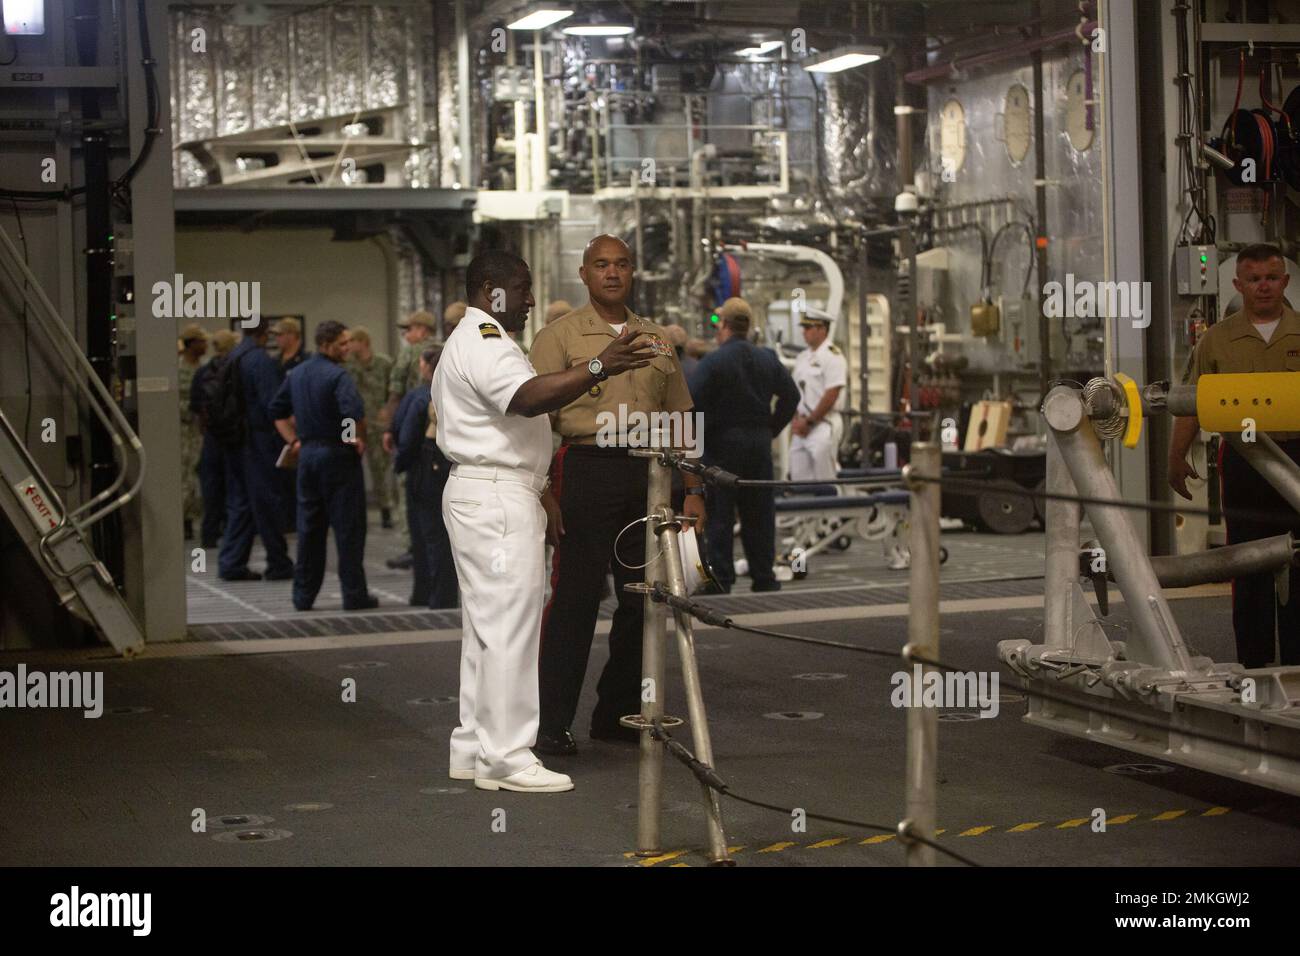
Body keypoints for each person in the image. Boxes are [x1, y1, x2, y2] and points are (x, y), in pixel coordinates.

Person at [432, 249, 656, 792]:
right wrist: (601, 364)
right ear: (492, 291)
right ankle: (507, 757)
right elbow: (528, 399)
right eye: (523, 288)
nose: (531, 299)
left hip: (490, 490)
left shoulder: (481, 338)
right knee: (509, 628)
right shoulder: (485, 340)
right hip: (495, 496)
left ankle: (474, 743)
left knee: (486, 630)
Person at [529, 234, 707, 757]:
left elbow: (679, 417)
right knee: (575, 601)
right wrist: (542, 492)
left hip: (649, 474)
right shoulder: (558, 336)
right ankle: (552, 723)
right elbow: (534, 420)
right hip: (585, 467)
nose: (612, 273)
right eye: (601, 265)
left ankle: (615, 713)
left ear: (633, 273)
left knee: (644, 601)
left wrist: (693, 489)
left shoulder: (656, 338)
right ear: (584, 274)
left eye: (622, 264)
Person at [1170, 242, 1300, 668]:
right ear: (1238, 284)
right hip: (1243, 462)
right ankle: (1256, 671)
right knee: (1246, 566)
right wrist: (1175, 456)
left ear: (1285, 281)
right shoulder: (1216, 341)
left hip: (1298, 458)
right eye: (1255, 279)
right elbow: (1193, 399)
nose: (1264, 287)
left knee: (1299, 566)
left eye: (1271, 278)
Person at [688, 297, 800, 593]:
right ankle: (764, 576)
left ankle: (722, 578)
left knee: (721, 514)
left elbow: (691, 404)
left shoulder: (713, 362)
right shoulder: (767, 358)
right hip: (759, 445)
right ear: (748, 326)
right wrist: (770, 429)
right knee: (760, 514)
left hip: (722, 444)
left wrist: (698, 442)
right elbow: (792, 397)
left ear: (723, 324)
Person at [269, 321, 379, 612]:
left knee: (309, 530)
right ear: (327, 344)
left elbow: (277, 411)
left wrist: (294, 442)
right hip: (337, 457)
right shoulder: (338, 375)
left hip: (307, 457)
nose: (347, 348)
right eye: (342, 343)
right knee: (348, 530)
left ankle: (303, 596)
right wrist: (352, 439)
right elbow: (352, 413)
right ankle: (354, 595)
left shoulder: (298, 373)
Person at [217, 318, 294, 582]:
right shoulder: (259, 360)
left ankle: (231, 562)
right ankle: (279, 563)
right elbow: (273, 404)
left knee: (241, 503)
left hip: (235, 439)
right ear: (264, 333)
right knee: (267, 501)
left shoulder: (234, 356)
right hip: (258, 440)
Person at [391, 347, 458, 609]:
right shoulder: (456, 393)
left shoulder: (420, 396)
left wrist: (399, 465)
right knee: (443, 535)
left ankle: (432, 594)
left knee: (427, 537)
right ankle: (441, 593)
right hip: (450, 468)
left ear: (425, 366)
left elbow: (405, 437)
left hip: (423, 470)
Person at [384, 310, 438, 569]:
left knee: (409, 489)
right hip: (442, 430)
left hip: (413, 425)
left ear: (423, 330)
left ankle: (413, 548)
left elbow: (395, 393)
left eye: (410, 329)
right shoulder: (447, 349)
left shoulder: (408, 354)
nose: (406, 335)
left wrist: (389, 429)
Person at [345, 327, 396, 529]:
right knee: (347, 466)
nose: (348, 346)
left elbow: (392, 391)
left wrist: (388, 414)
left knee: (380, 469)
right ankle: (352, 511)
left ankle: (385, 510)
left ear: (362, 341)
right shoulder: (347, 366)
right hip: (351, 423)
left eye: (352, 341)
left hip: (377, 423)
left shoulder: (383, 363)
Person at [191, 328, 237, 547]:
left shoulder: (202, 372)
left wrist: (206, 430)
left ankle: (209, 533)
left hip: (211, 436)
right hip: (233, 437)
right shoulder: (237, 369)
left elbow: (196, 406)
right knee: (233, 486)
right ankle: (231, 533)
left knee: (211, 487)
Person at [789, 307, 847, 481]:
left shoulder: (833, 356)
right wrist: (797, 420)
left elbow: (832, 393)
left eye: (808, 328)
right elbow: (796, 391)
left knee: (826, 480)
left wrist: (810, 421)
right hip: (802, 426)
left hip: (823, 424)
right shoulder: (803, 357)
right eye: (803, 327)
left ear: (822, 329)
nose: (803, 332)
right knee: (798, 479)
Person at [178, 323, 209, 541]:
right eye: (202, 341)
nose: (206, 345)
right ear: (192, 344)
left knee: (199, 475)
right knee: (185, 476)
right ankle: (184, 519)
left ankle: (196, 517)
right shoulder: (179, 370)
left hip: (202, 429)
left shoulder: (205, 368)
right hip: (184, 430)